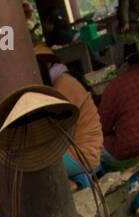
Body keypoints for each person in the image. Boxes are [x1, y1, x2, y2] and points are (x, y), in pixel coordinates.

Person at [36, 44, 103, 187]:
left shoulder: (63, 86)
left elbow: (52, 132)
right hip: (82, 150)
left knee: (35, 165)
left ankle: (71, 187)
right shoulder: (64, 82)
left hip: (84, 153)